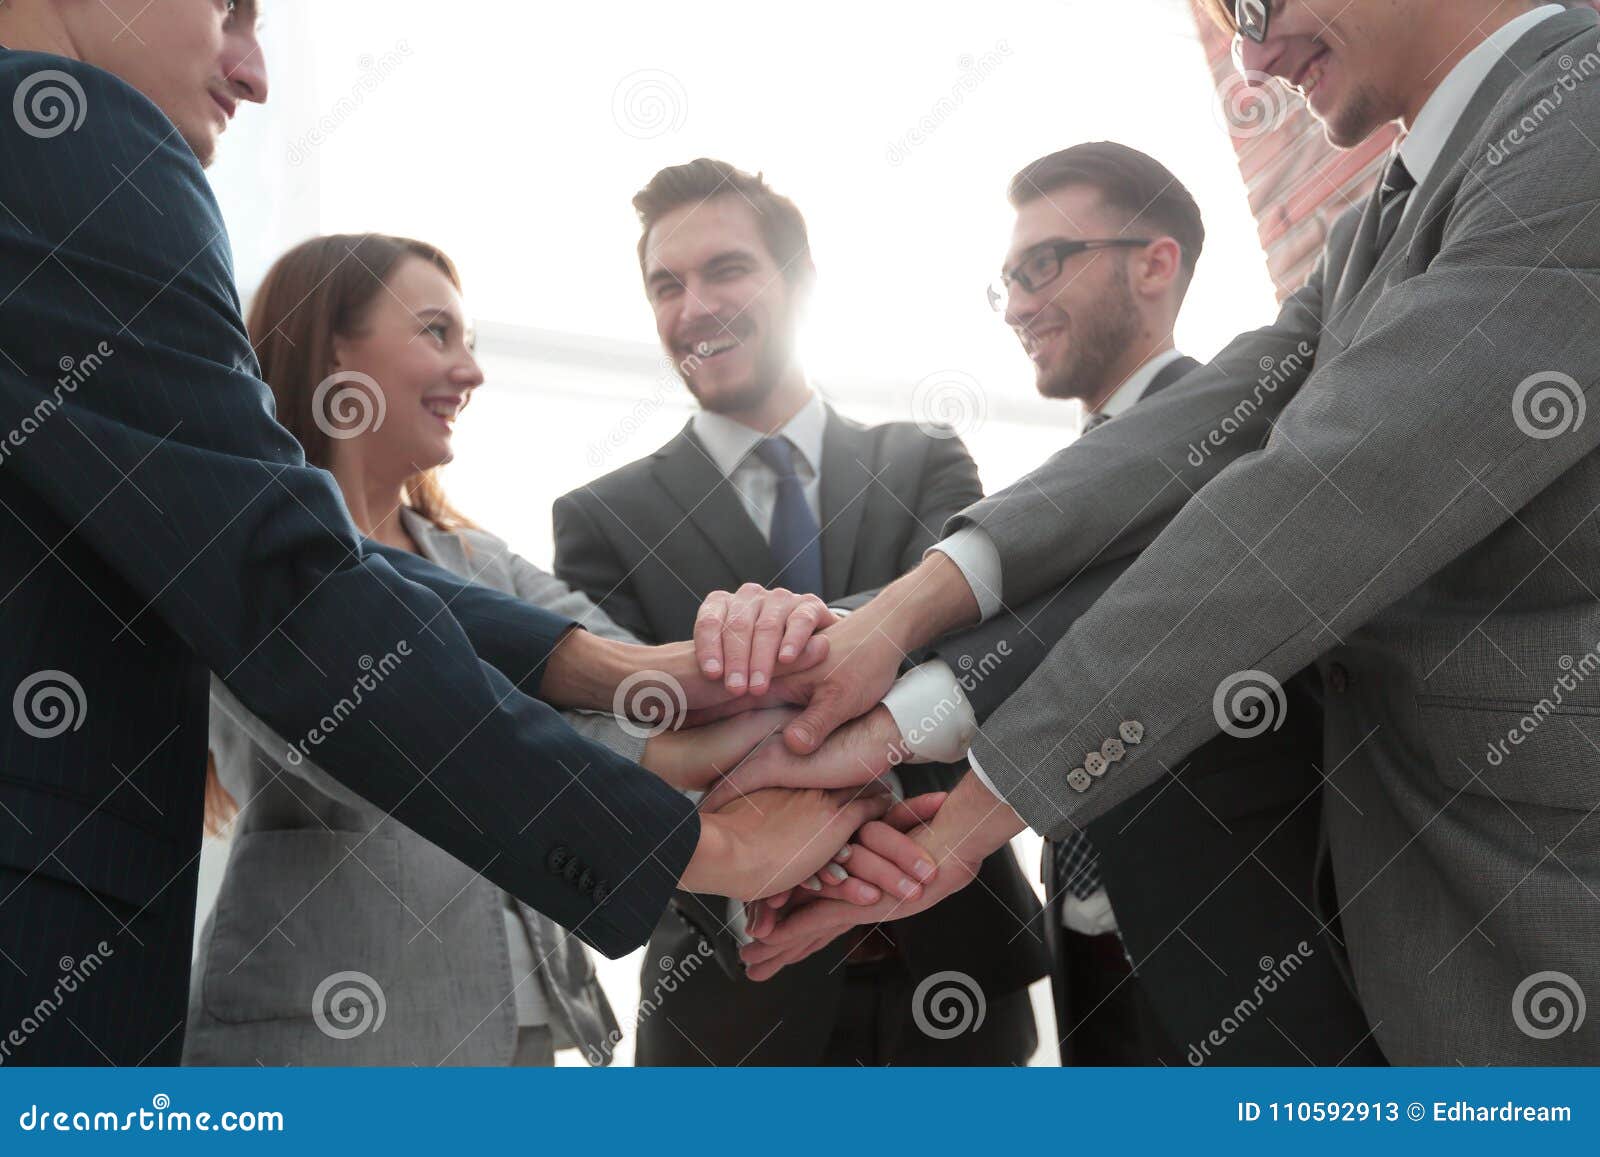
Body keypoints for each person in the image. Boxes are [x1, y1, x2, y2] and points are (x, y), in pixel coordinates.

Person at [0, 0, 885, 1065]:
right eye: (229, 7)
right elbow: (289, 598)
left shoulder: (465, 553)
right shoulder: (68, 136)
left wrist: (645, 674)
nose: (255, 70)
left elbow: (328, 571)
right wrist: (708, 846)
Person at [741, 0, 1600, 1064]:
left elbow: (1326, 498)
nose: (1254, 55)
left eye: (1259, 1)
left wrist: (969, 810)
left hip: (1546, 911)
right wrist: (904, 613)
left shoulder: (1584, 117)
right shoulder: (1377, 219)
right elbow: (1198, 424)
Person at [553, 159, 1045, 1065]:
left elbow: (976, 646)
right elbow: (618, 738)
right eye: (667, 283)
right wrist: (866, 637)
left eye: (726, 269)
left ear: (801, 282)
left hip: (957, 967)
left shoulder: (926, 458)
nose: (694, 305)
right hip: (730, 993)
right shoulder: (600, 517)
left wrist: (760, 648)